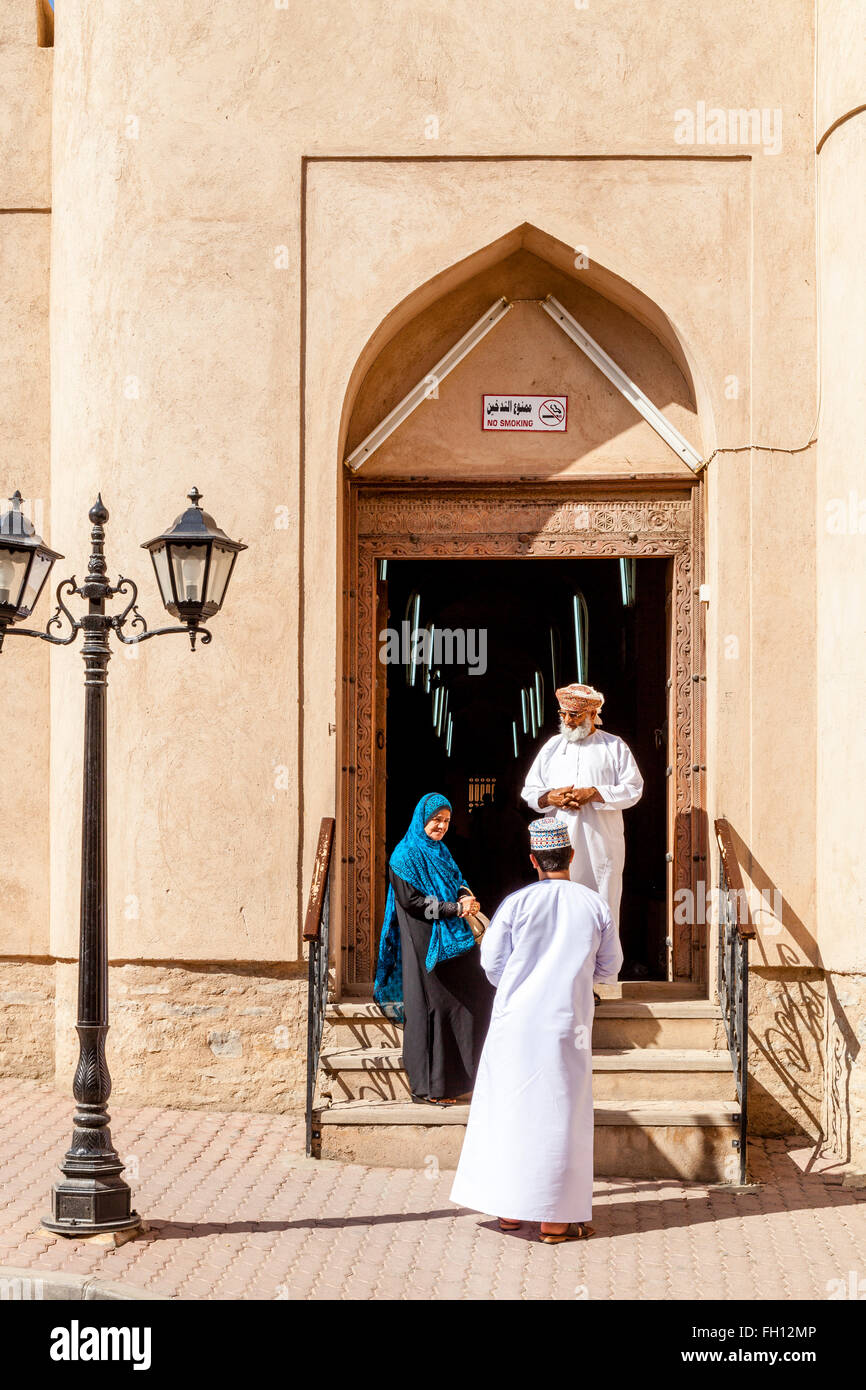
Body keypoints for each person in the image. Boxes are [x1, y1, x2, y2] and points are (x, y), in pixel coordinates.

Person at [449, 818, 622, 1242]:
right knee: (561, 1115)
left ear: (533, 860)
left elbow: (491, 964)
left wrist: (520, 981)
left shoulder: (516, 904)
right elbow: (610, 968)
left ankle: (509, 1212)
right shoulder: (594, 904)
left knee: (510, 1109)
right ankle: (555, 1221)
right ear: (572, 856)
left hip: (516, 1024)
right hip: (567, 1024)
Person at [373, 792, 495, 1105]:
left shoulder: (440, 851)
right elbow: (412, 903)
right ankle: (429, 1088)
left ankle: (461, 1082)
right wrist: (454, 909)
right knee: (433, 1009)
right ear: (422, 819)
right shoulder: (404, 855)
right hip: (424, 942)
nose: (440, 826)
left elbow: (457, 879)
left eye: (446, 821)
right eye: (436, 820)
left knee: (474, 998)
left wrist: (466, 897)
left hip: (450, 940)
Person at [521, 681, 643, 934]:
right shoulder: (552, 748)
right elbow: (529, 790)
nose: (567, 720)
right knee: (560, 906)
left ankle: (602, 973)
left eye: (574, 715)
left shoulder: (613, 746)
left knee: (602, 904)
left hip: (600, 843)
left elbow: (634, 789)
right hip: (558, 844)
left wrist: (595, 793)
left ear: (592, 714)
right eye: (563, 714)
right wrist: (549, 798)